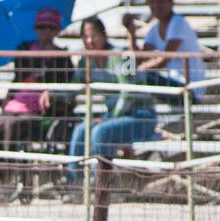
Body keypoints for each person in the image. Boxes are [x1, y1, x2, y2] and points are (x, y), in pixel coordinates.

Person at [0, 7, 72, 202]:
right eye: (42, 27)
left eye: (50, 27)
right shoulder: (24, 50)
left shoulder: (62, 57)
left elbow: (65, 84)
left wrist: (50, 66)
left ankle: (8, 178)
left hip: (40, 110)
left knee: (12, 127)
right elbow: (20, 75)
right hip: (17, 103)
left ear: (57, 30)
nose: (45, 31)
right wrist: (36, 58)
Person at [65, 17, 156, 197]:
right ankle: (73, 187)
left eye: (94, 36)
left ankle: (104, 189)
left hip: (141, 116)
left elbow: (128, 94)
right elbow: (73, 88)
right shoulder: (86, 61)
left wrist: (110, 118)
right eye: (85, 36)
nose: (89, 41)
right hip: (113, 117)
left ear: (104, 36)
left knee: (100, 132)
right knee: (80, 131)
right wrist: (49, 93)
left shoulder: (124, 56)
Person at [123, 0, 206, 99]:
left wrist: (141, 70)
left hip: (189, 89)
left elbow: (164, 59)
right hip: (174, 86)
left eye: (161, 2)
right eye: (152, 2)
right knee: (136, 79)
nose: (156, 6)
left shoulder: (178, 22)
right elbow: (139, 58)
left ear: (171, 3)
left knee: (140, 78)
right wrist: (131, 34)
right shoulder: (154, 29)